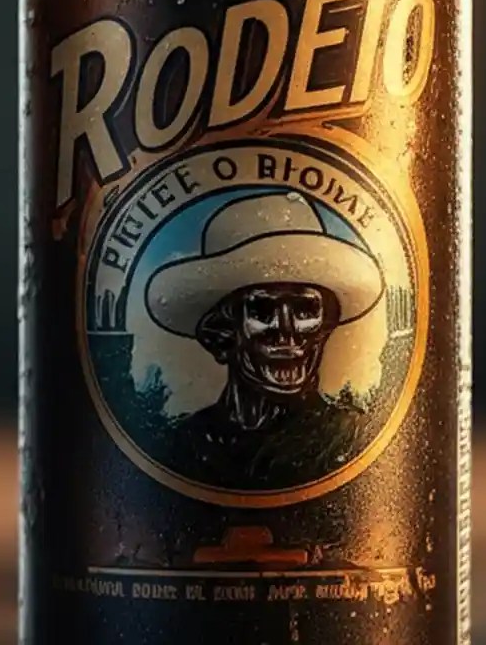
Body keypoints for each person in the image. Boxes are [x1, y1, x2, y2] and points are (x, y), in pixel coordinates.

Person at [145, 191, 385, 488]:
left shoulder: (349, 436)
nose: (287, 330)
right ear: (223, 334)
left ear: (325, 327)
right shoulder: (184, 444)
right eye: (262, 310)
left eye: (305, 310)